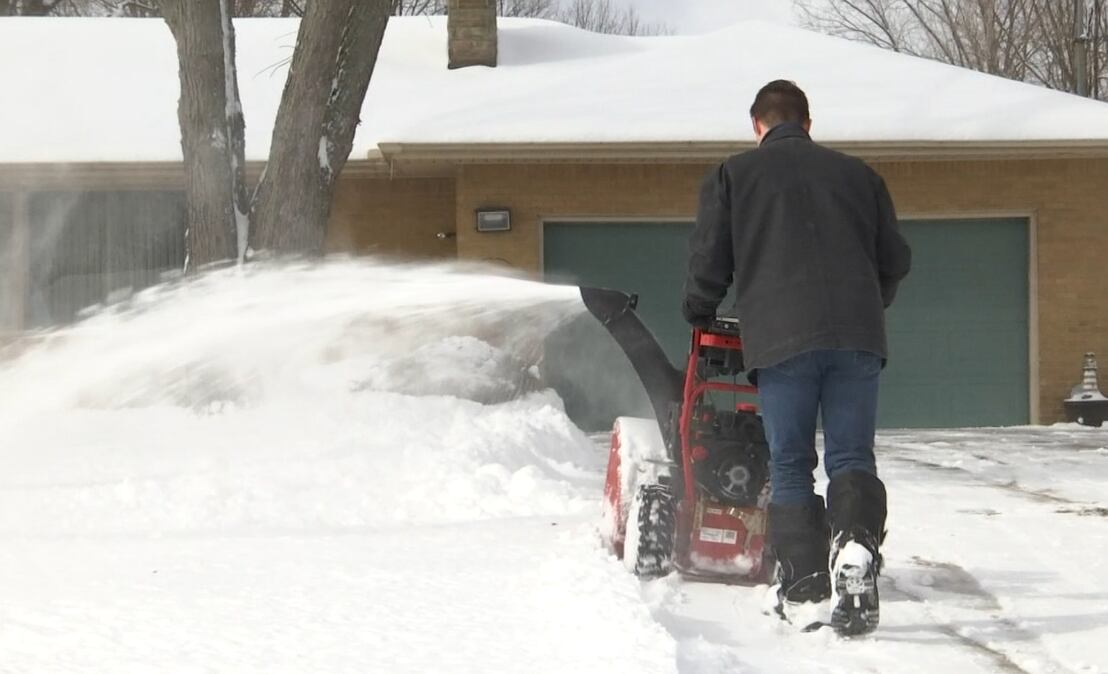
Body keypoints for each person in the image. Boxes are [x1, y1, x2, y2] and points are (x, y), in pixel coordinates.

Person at [681, 80, 911, 635]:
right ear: (808, 123)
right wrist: (866, 302)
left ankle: (804, 583)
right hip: (856, 337)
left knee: (790, 463)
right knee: (852, 455)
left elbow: (713, 255)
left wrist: (699, 307)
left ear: (756, 125)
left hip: (781, 341)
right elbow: (894, 258)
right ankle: (855, 547)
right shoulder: (860, 175)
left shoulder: (735, 174)